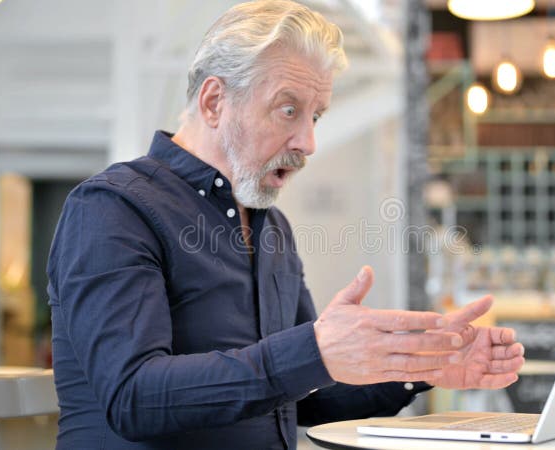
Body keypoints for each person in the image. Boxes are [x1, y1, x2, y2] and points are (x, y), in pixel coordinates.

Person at [46, 1, 524, 449]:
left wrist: (424, 366)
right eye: (289, 109)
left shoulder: (271, 227)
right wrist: (314, 348)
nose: (310, 140)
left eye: (316, 115)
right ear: (215, 102)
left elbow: (307, 397)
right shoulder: (112, 209)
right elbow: (134, 397)